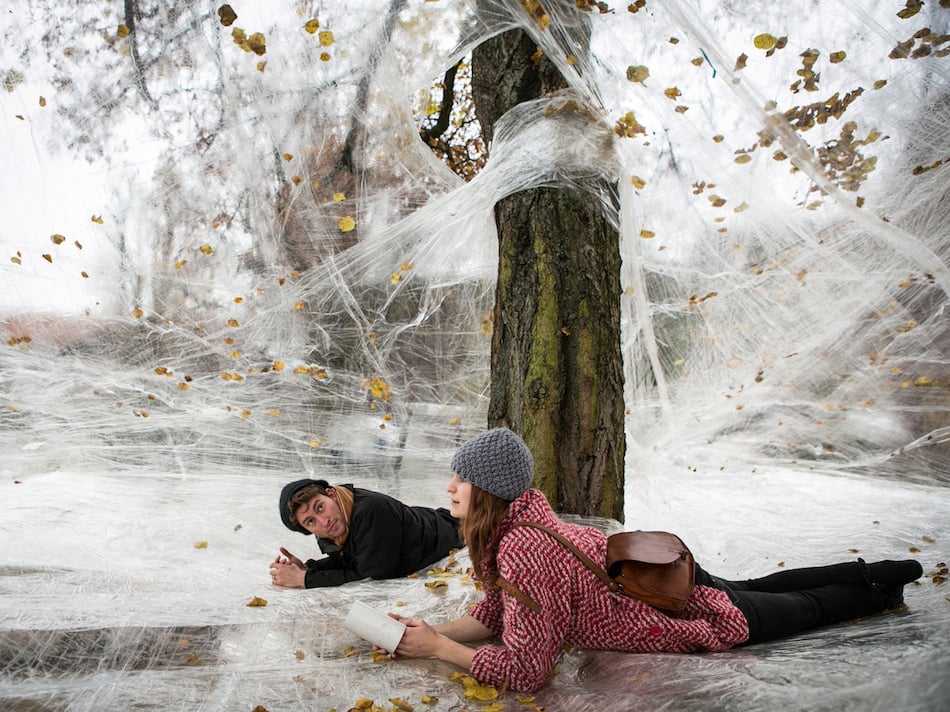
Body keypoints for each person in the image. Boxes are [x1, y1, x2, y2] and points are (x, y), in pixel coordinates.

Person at [389, 428, 923, 693]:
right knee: (762, 584)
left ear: (489, 489)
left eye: (460, 479)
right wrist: (432, 630)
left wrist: (439, 648)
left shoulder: (524, 550)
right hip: (660, 580)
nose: (449, 488)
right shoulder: (522, 522)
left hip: (674, 611)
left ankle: (881, 587)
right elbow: (497, 612)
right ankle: (870, 571)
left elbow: (529, 671)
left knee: (802, 609)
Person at [271, 478, 463, 588]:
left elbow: (370, 577)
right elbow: (352, 559)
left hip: (456, 534)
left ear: (331, 494)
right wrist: (309, 569)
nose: (323, 521)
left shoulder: (370, 510)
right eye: (310, 521)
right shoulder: (336, 522)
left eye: (320, 507)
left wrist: (304, 580)